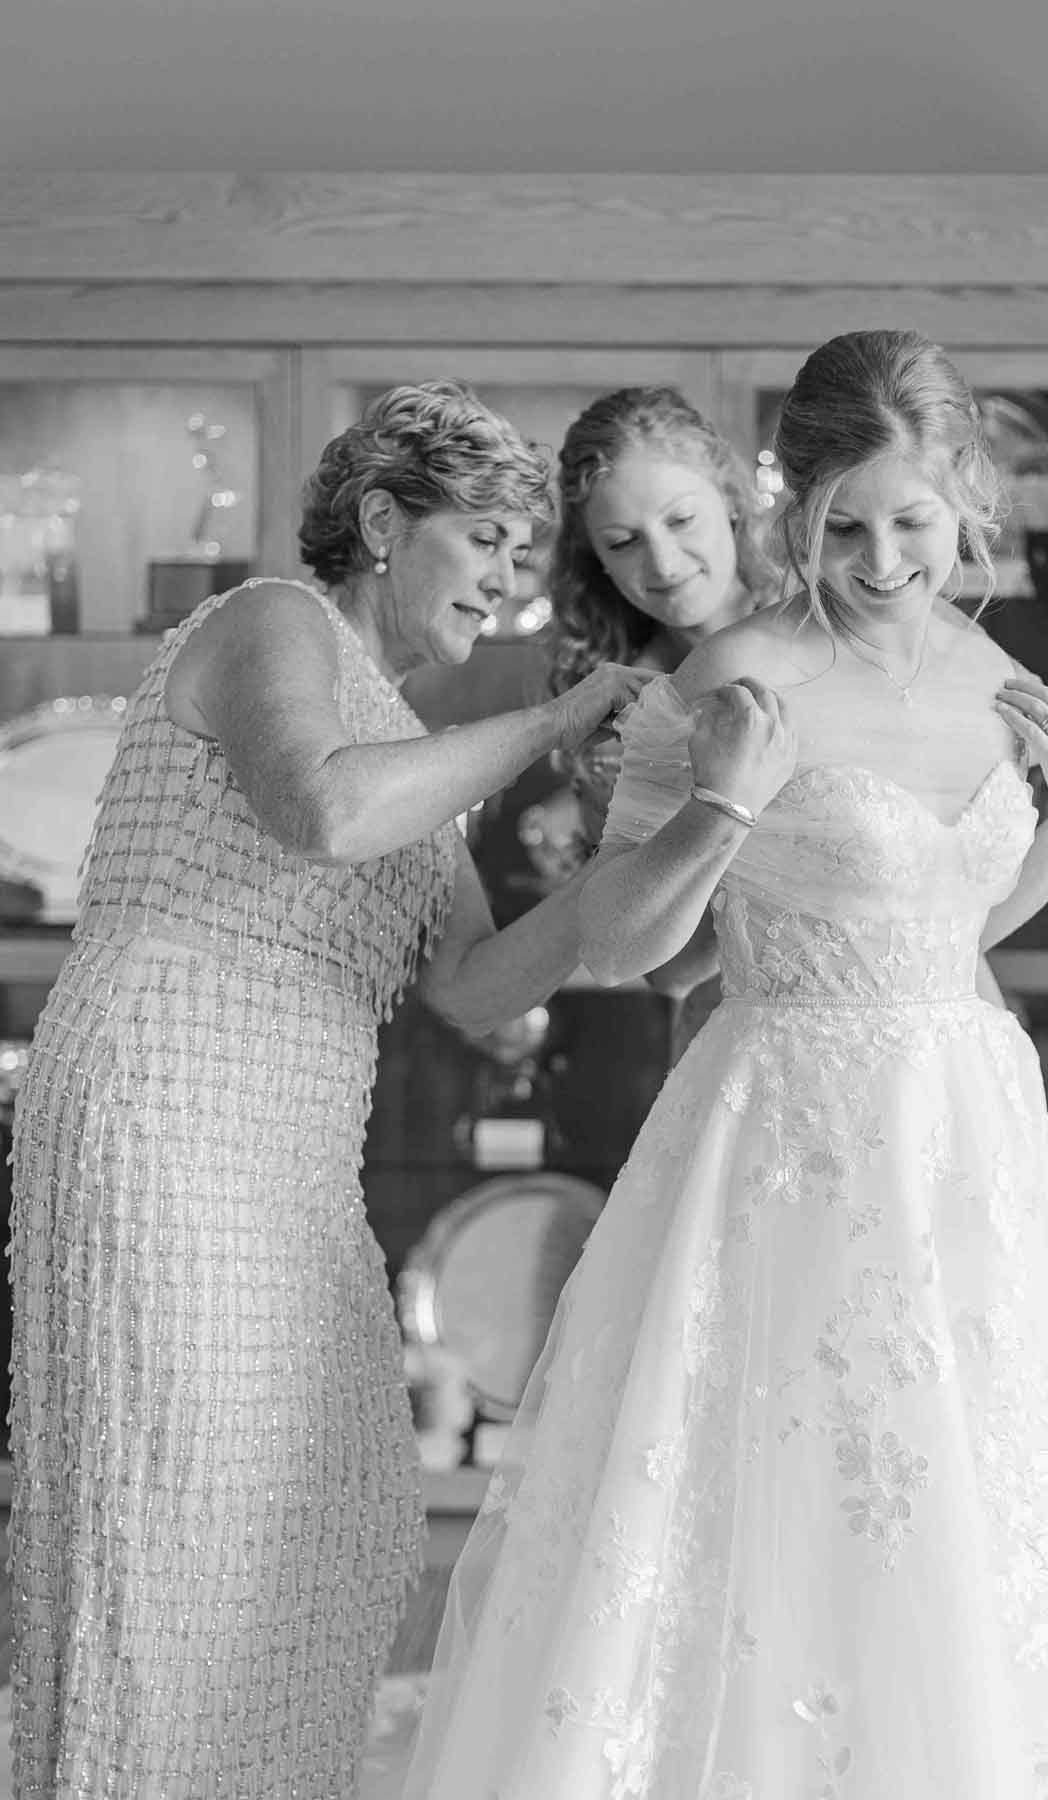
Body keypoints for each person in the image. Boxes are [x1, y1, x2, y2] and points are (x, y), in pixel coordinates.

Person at [398, 333, 1048, 1797]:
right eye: (843, 524)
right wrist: (722, 809)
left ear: (967, 500)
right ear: (791, 507)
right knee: (778, 1487)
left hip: (962, 1137)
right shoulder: (733, 677)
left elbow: (942, 930)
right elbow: (627, 950)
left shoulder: (1000, 676)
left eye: (911, 524)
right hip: (793, 1133)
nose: (878, 559)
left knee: (952, 1507)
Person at [6, 379, 645, 1800]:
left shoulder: (412, 753)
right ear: (376, 519)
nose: (507, 578)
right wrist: (545, 727)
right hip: (163, 1095)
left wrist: (641, 835)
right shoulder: (270, 624)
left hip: (292, 1141)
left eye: (524, 554)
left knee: (348, 1515)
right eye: (484, 537)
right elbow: (322, 808)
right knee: (174, 1528)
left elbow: (485, 991)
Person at [533, 384, 779, 1056]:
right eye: (623, 542)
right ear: (596, 559)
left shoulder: (833, 630)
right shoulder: (614, 720)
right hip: (728, 1045)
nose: (663, 564)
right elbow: (663, 971)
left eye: (679, 521)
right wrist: (721, 813)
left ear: (732, 499)